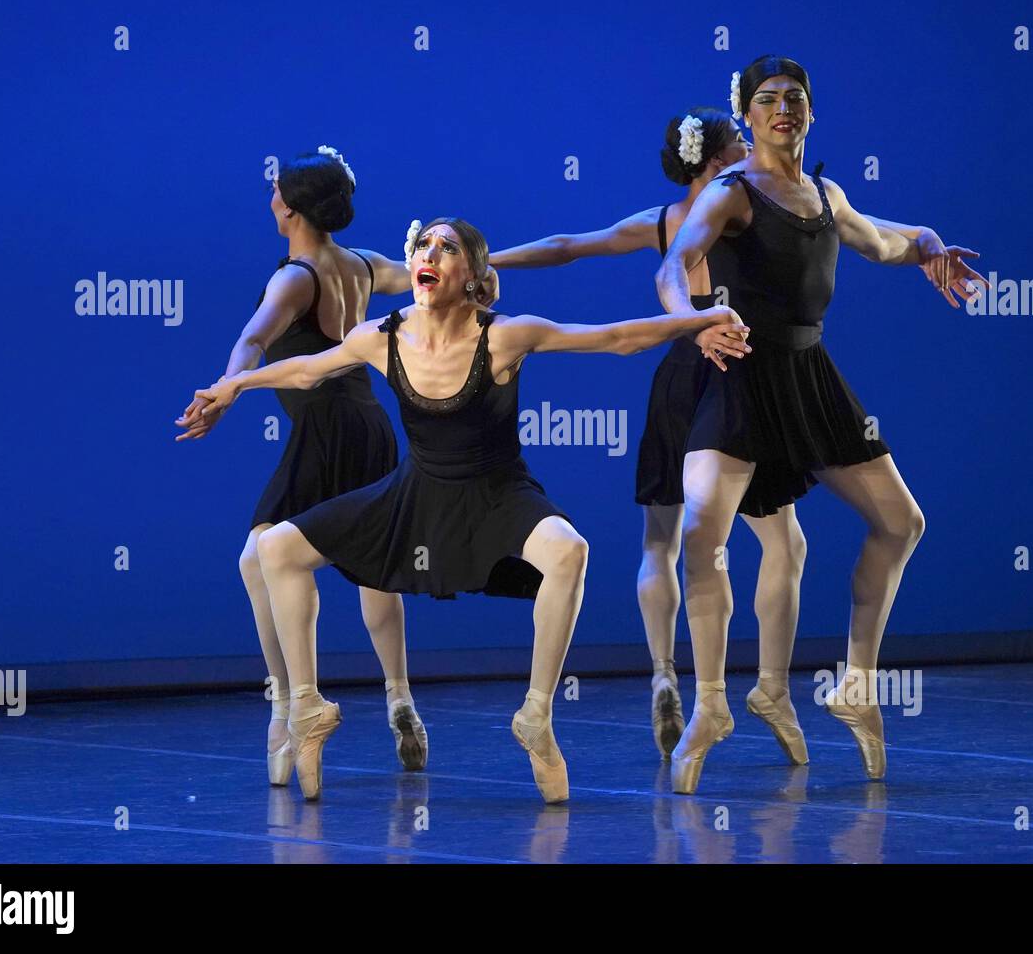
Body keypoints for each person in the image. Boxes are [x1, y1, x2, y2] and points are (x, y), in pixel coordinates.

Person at [179, 217, 749, 802]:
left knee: (570, 551)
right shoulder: (383, 335)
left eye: (447, 247)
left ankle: (536, 715)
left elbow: (614, 337)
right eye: (424, 243)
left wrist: (699, 320)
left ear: (474, 276)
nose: (430, 252)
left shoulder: (505, 335)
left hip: (497, 495)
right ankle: (305, 707)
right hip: (416, 494)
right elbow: (304, 369)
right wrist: (235, 386)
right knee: (275, 549)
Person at [657, 55, 987, 792]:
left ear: (811, 113)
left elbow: (883, 241)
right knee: (702, 533)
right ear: (747, 115)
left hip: (811, 379)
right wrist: (692, 319)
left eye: (795, 99)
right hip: (738, 372)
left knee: (902, 522)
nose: (783, 109)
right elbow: (674, 265)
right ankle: (711, 705)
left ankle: (858, 684)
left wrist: (929, 242)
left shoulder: (826, 195)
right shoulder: (730, 193)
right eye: (768, 99)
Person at [489, 108, 812, 765]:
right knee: (780, 537)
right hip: (733, 368)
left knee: (661, 539)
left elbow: (566, 245)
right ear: (717, 163)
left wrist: (485, 258)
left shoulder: (665, 221)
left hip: (678, 372)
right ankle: (760, 686)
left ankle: (666, 673)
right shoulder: (743, 208)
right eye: (738, 149)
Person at [175, 148, 467, 784]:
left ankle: (288, 705)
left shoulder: (295, 276)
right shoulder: (359, 265)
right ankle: (400, 703)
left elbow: (255, 336)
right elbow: (414, 273)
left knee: (261, 557)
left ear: (294, 206)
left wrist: (228, 389)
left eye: (277, 193)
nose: (270, 201)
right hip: (367, 424)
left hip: (327, 431)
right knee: (374, 576)